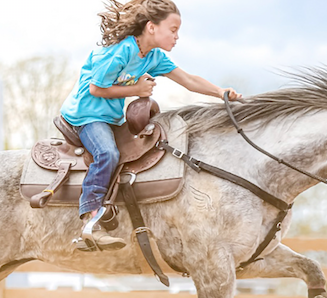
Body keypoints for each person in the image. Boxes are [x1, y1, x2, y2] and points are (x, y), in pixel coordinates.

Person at [60, 0, 242, 251]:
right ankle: (90, 220)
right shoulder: (120, 51)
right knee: (107, 153)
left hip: (111, 117)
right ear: (151, 27)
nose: (177, 36)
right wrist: (137, 89)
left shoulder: (154, 57)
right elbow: (95, 88)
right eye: (173, 29)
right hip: (86, 115)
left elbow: (188, 79)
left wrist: (219, 92)